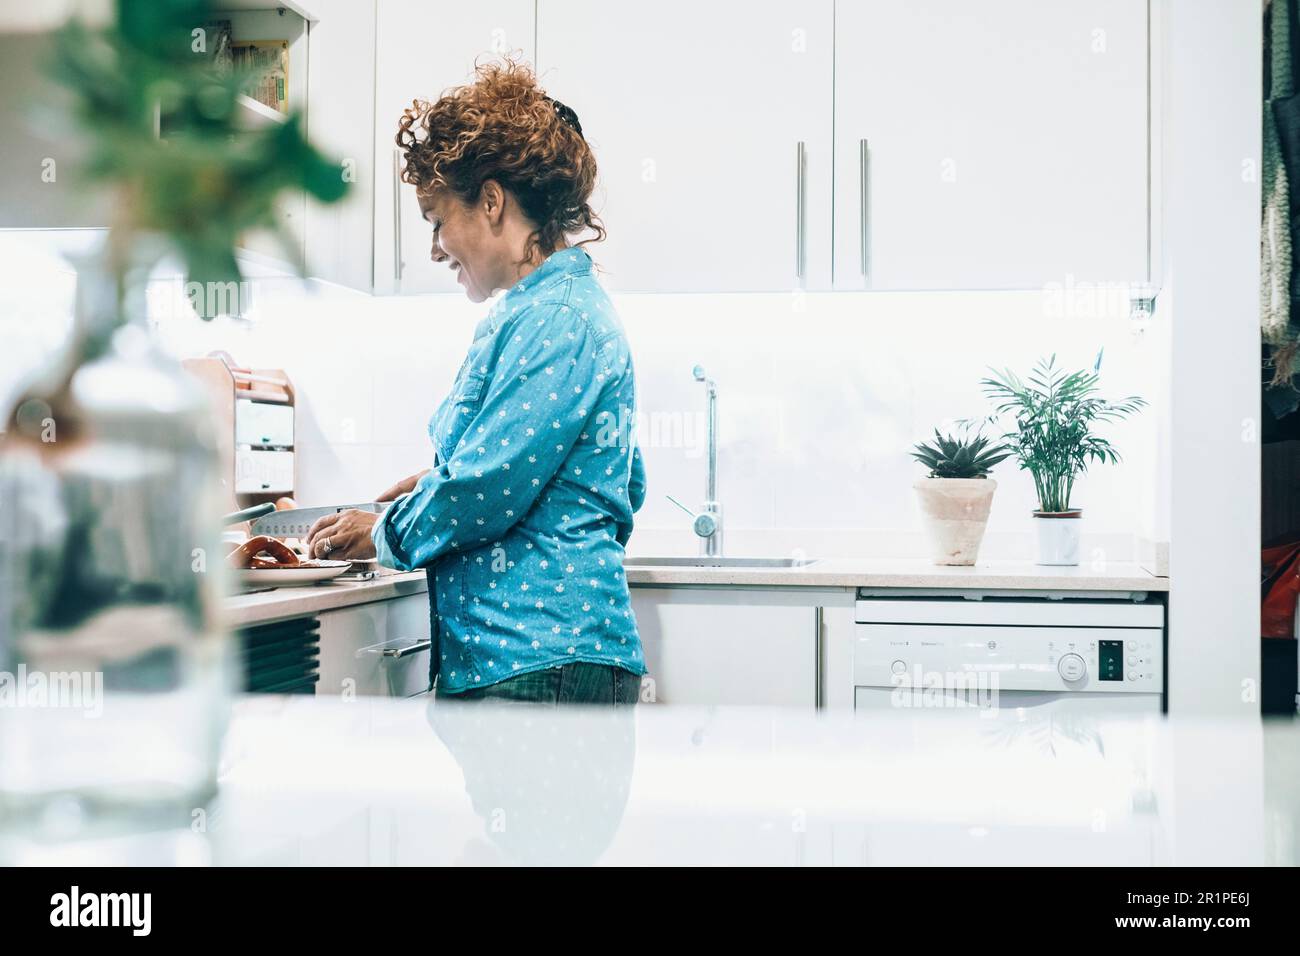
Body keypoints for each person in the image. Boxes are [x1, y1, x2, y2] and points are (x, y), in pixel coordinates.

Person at [304, 60, 646, 706]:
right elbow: (620, 480)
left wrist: (385, 530)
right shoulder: (553, 309)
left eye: (436, 219)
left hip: (539, 657)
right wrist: (437, 486)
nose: (434, 248)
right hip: (540, 658)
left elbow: (486, 490)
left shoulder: (556, 319)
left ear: (491, 202)